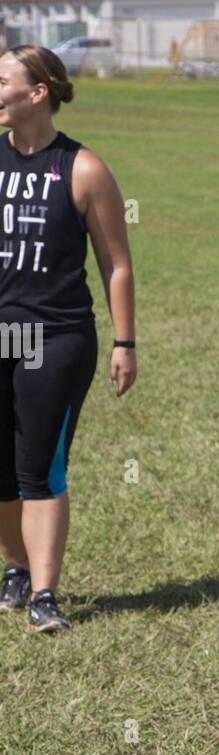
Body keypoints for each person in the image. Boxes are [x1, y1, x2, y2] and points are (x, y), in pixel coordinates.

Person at [0, 46, 136, 631]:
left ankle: (45, 595)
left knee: (40, 466)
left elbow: (117, 264)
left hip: (54, 338)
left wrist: (124, 343)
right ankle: (16, 569)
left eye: (2, 79)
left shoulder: (82, 168)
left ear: (37, 92)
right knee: (3, 469)